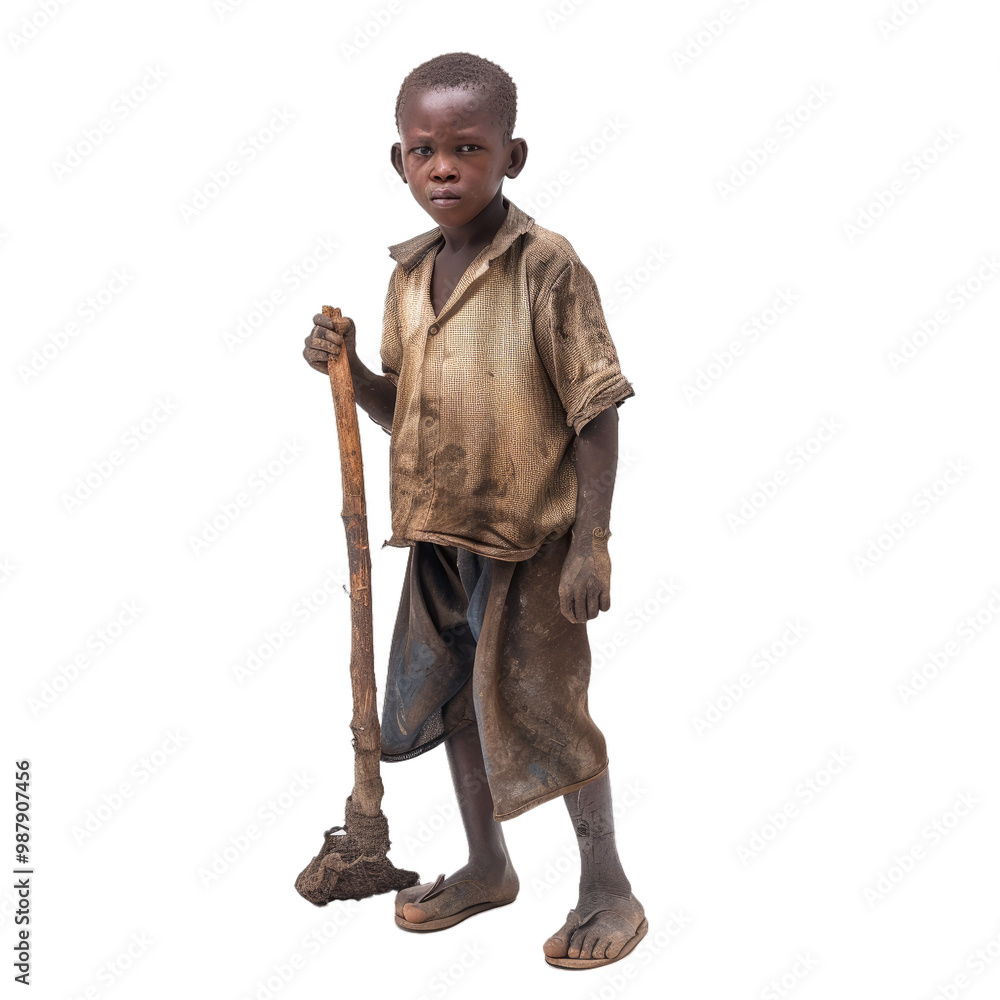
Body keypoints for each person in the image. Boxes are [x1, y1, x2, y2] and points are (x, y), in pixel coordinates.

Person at [302, 52, 645, 970]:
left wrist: (591, 546)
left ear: (512, 156)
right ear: (399, 162)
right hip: (439, 540)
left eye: (467, 147)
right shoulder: (409, 278)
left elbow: (596, 411)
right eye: (424, 151)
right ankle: (487, 865)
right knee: (453, 704)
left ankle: (607, 884)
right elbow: (401, 409)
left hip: (528, 542)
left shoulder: (546, 267)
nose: (443, 167)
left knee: (547, 711)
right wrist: (350, 374)